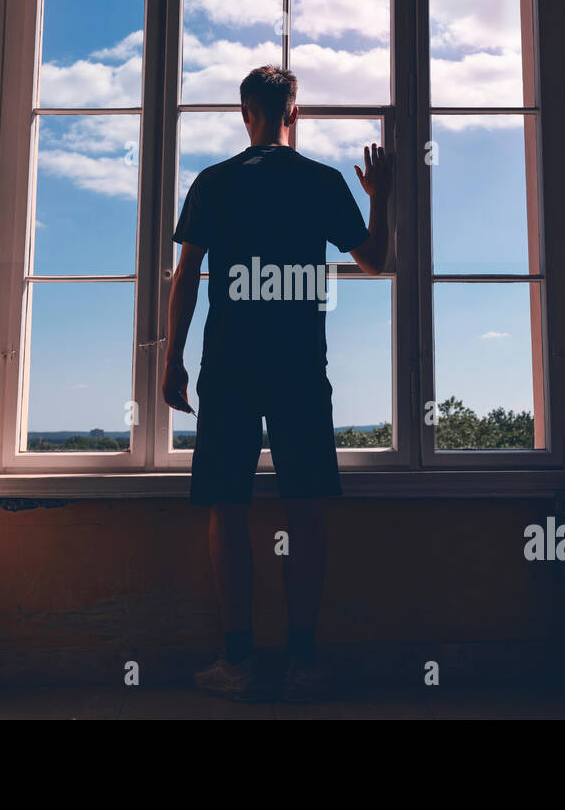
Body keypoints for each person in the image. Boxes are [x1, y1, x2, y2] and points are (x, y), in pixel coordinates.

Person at [161, 64, 392, 701]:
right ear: (294, 112)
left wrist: (171, 357)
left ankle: (236, 660)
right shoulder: (318, 182)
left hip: (230, 361)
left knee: (226, 506)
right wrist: (382, 194)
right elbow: (375, 260)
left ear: (244, 112)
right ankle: (303, 658)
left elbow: (186, 277)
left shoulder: (214, 182)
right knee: (306, 505)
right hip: (297, 363)